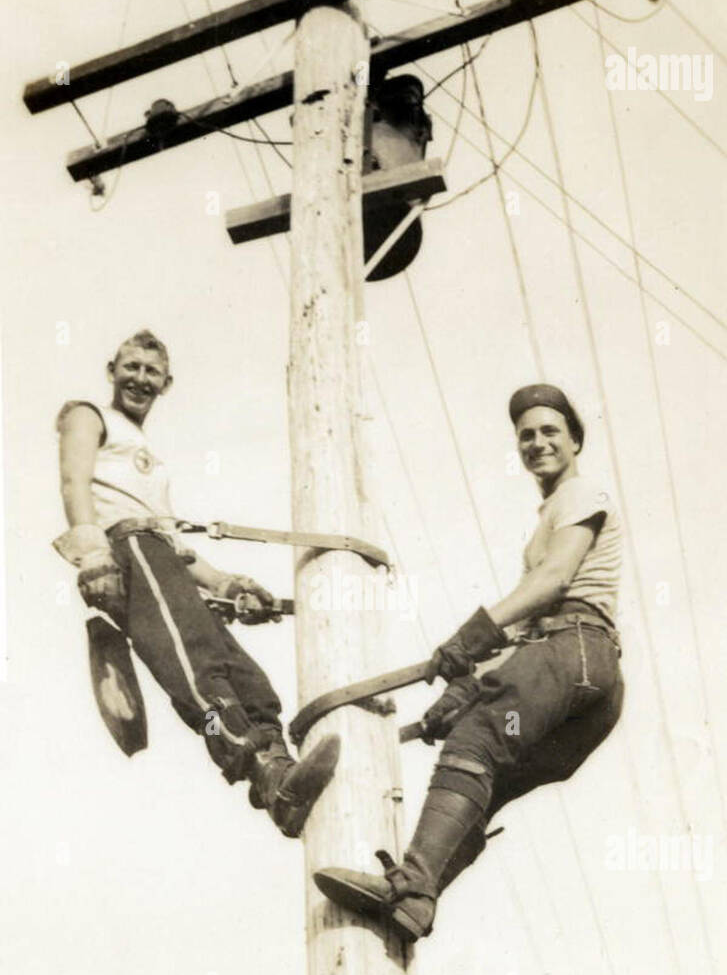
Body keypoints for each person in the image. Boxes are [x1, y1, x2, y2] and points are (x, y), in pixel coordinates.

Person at [315, 384, 624, 938]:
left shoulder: (580, 494)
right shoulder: (554, 509)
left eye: (550, 431)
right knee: (488, 780)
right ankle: (416, 903)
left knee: (477, 740)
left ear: (576, 440)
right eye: (526, 435)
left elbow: (552, 584)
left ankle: (410, 885)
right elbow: (528, 633)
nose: (537, 442)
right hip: (591, 685)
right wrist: (463, 690)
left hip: (574, 647)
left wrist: (475, 633)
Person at [54, 329, 339, 837]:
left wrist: (227, 584)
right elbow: (74, 481)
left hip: (159, 553)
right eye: (131, 367)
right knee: (197, 673)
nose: (140, 378)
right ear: (111, 370)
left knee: (239, 671)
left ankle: (282, 777)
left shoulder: (149, 457)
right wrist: (93, 554)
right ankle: (264, 772)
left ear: (167, 382)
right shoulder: (88, 416)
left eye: (151, 371)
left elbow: (174, 544)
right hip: (127, 551)